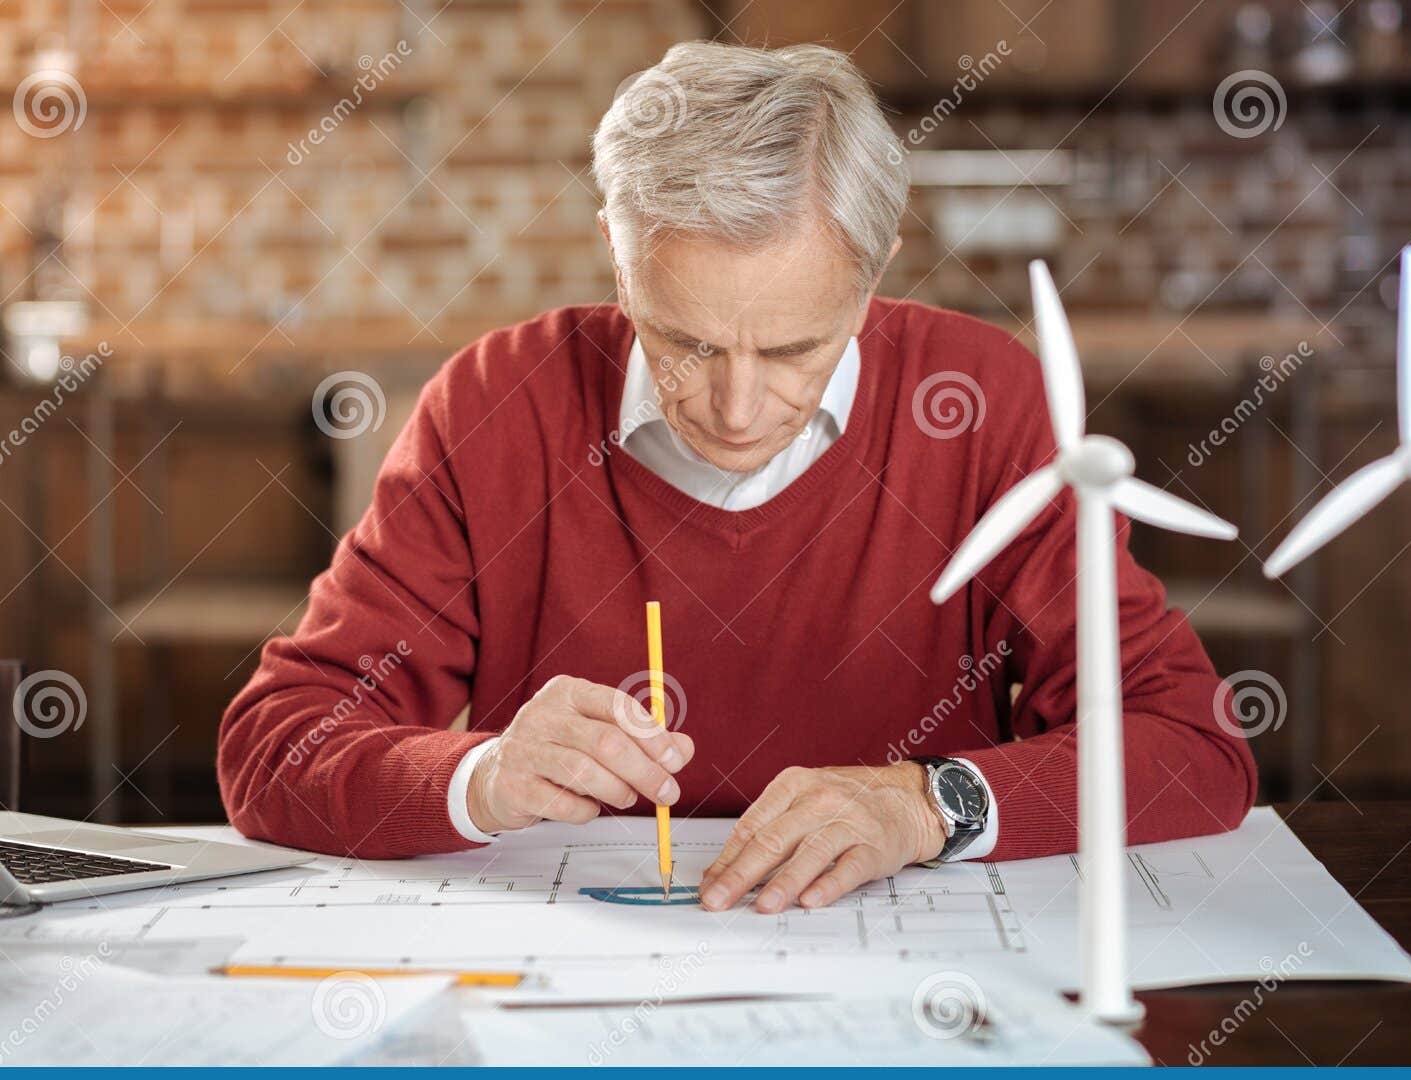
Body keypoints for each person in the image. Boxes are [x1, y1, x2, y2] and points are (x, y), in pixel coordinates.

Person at [218, 40, 1255, 914]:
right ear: (618, 261)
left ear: (872, 276)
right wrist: (478, 775)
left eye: (796, 349)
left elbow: (1191, 743)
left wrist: (925, 804)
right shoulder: (497, 403)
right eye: (687, 342)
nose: (737, 408)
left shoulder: (980, 398)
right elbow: (274, 747)